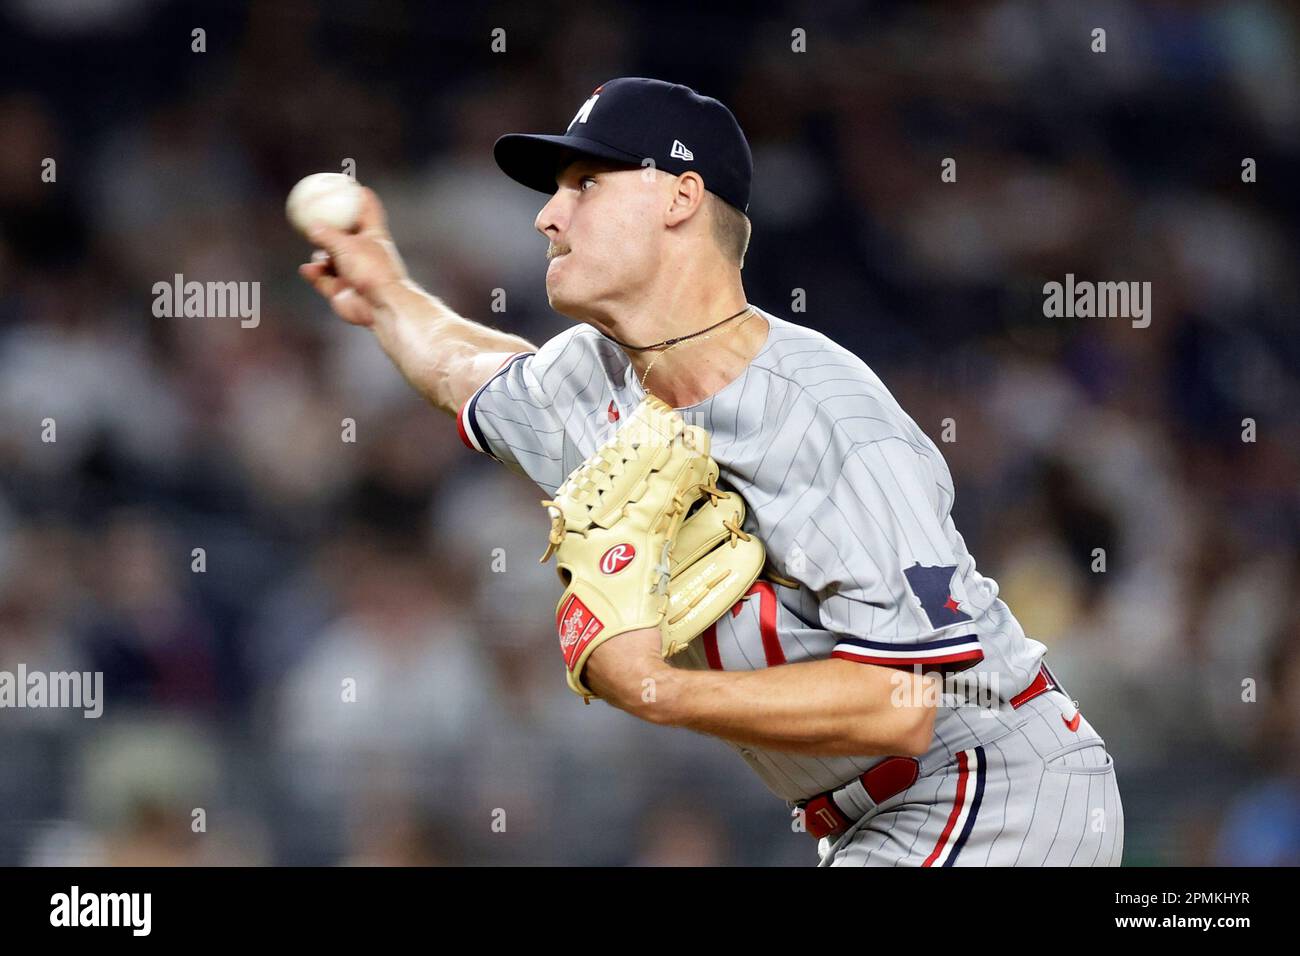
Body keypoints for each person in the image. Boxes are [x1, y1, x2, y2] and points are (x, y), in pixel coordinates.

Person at [300, 77, 1123, 866]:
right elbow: (461, 367)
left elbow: (901, 705)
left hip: (994, 788)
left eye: (586, 183)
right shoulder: (594, 380)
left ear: (680, 198)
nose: (550, 217)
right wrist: (383, 291)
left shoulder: (823, 415)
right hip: (874, 819)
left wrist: (653, 689)